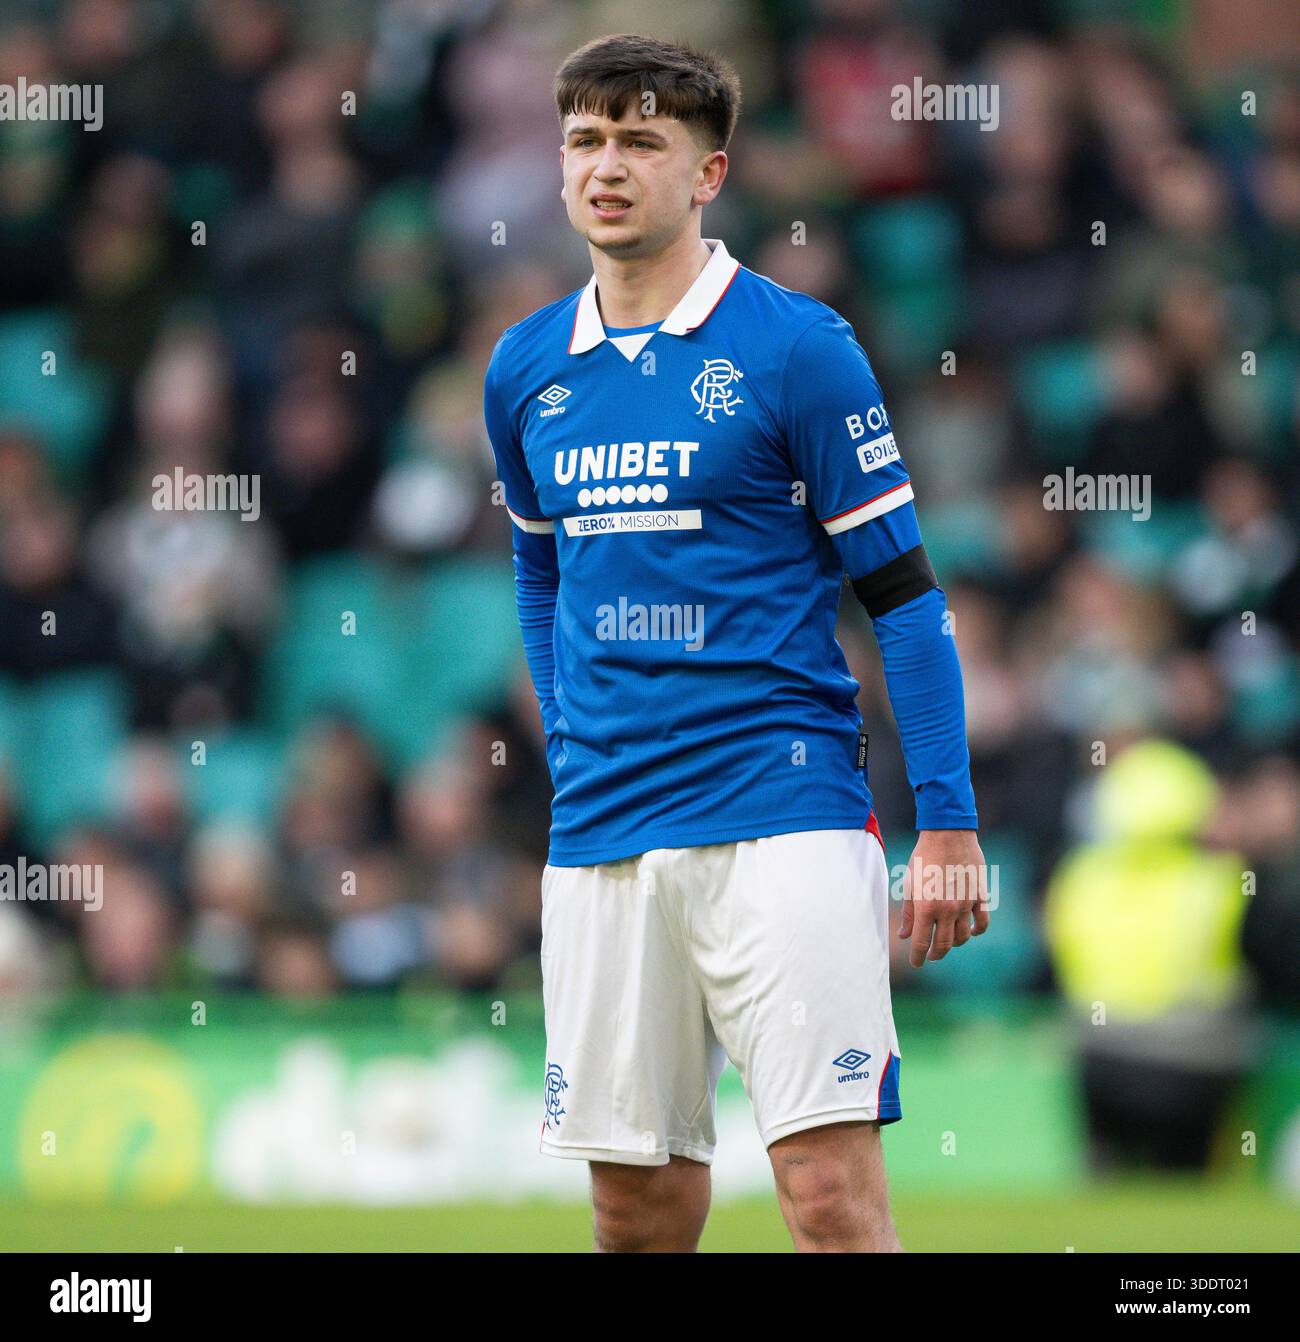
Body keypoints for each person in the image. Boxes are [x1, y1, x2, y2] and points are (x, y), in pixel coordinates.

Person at [483, 33, 988, 1253]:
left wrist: (949, 819)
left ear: (707, 175)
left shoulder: (796, 349)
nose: (607, 167)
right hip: (605, 831)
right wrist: (572, 733)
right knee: (634, 1212)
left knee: (825, 1198)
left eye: (641, 141)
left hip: (783, 812)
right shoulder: (526, 369)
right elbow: (540, 570)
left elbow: (906, 597)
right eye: (586, 140)